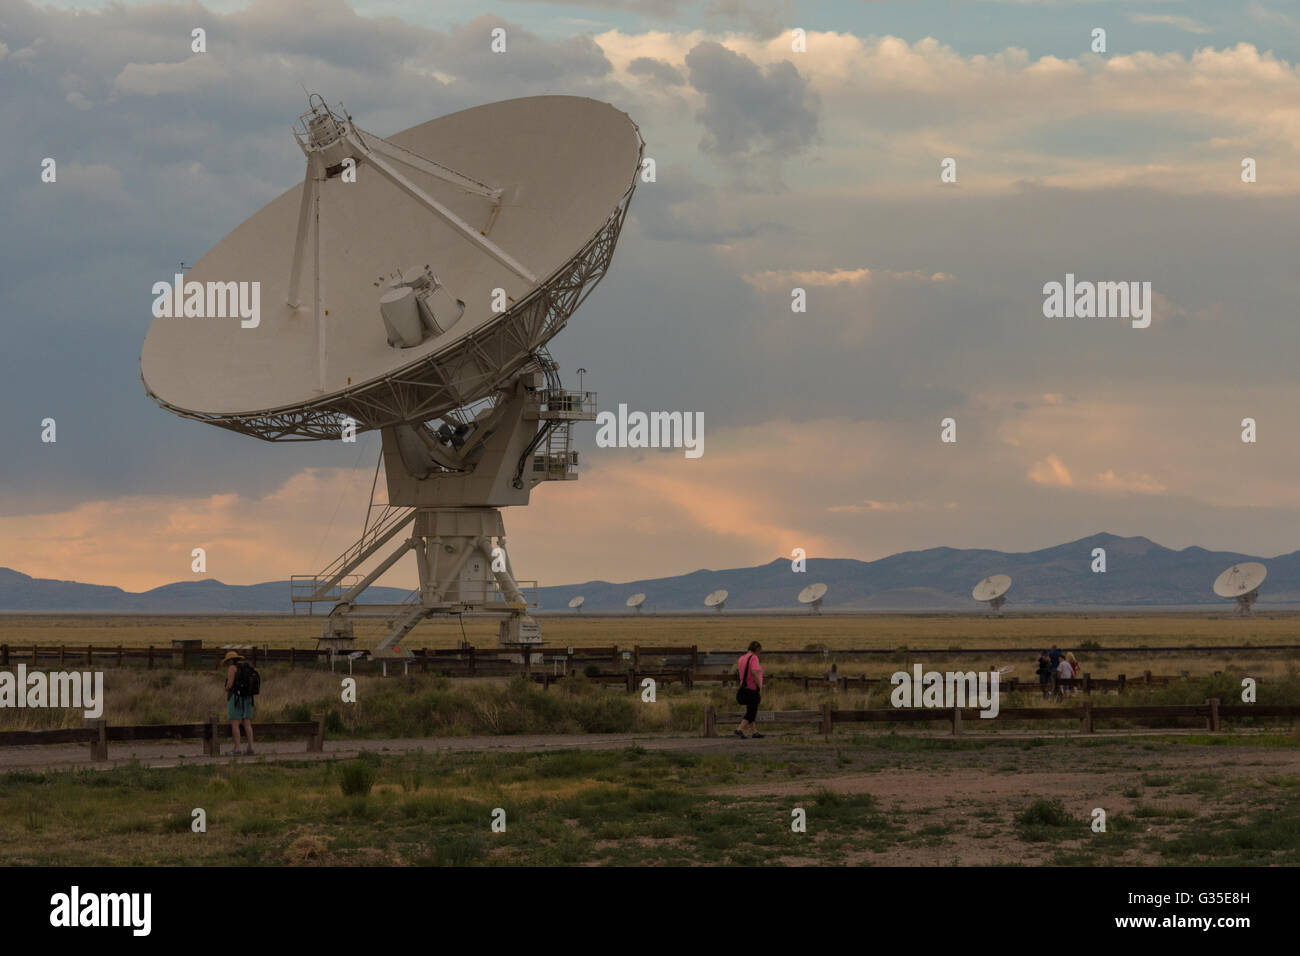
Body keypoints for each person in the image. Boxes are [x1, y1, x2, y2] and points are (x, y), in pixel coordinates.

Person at [223, 650, 255, 755]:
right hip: (247, 697)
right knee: (247, 723)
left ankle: (237, 748)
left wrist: (226, 688)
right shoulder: (245, 667)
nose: (227, 663)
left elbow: (230, 685)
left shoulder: (232, 668)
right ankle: (250, 747)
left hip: (235, 698)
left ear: (231, 660)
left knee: (235, 724)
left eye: (228, 661)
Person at [735, 641, 764, 739]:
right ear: (757, 649)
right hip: (752, 688)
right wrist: (759, 686)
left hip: (744, 687)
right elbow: (754, 671)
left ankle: (754, 732)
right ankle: (739, 729)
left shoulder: (742, 658)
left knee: (751, 709)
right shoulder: (754, 658)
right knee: (752, 711)